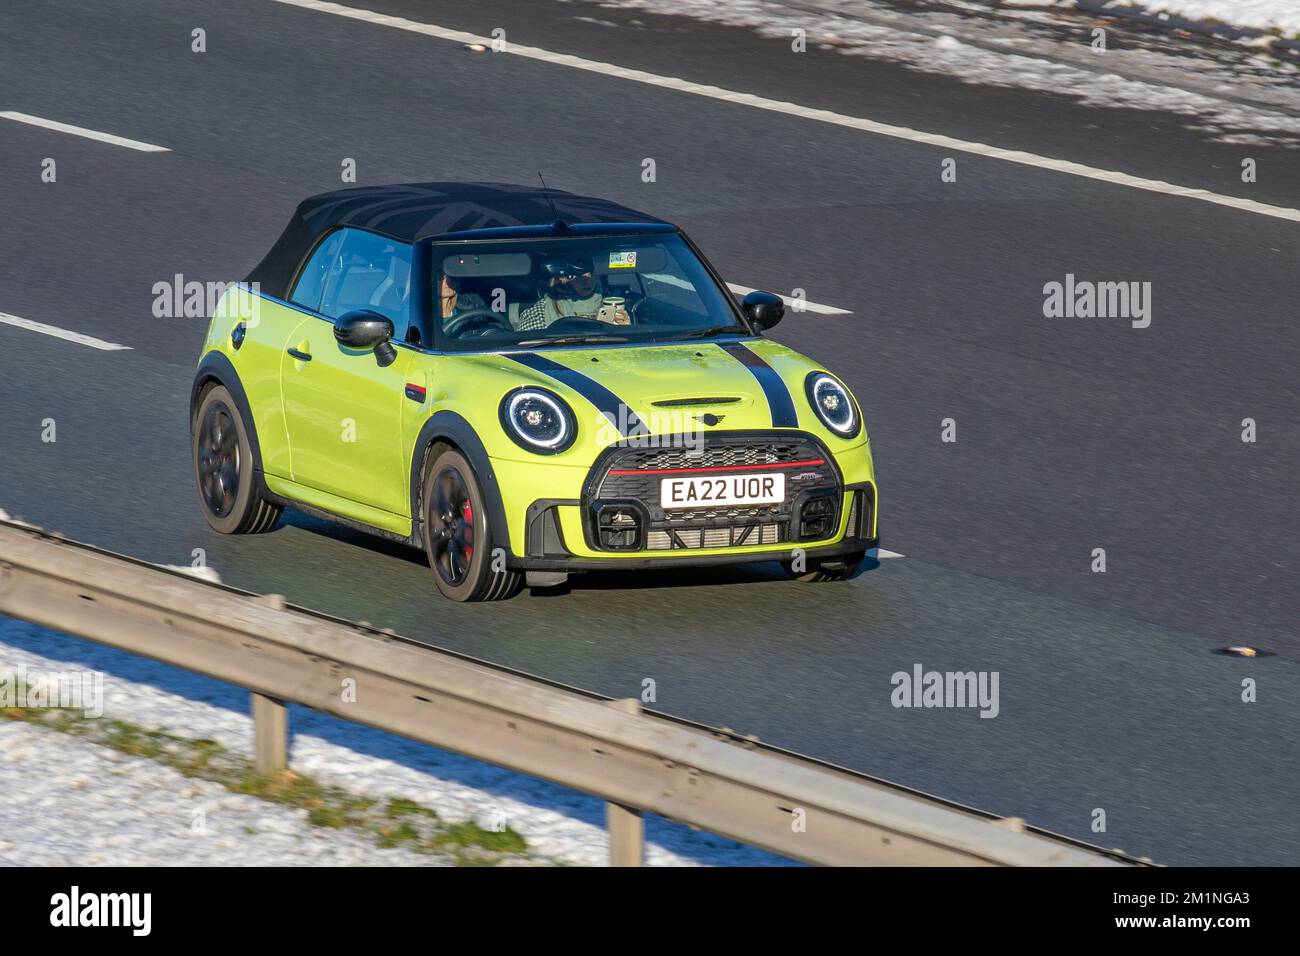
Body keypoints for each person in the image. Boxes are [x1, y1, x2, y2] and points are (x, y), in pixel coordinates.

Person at [514, 257, 629, 332]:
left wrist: (625, 331)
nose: (586, 279)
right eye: (576, 275)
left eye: (591, 273)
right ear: (561, 278)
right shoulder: (539, 316)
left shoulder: (614, 305)